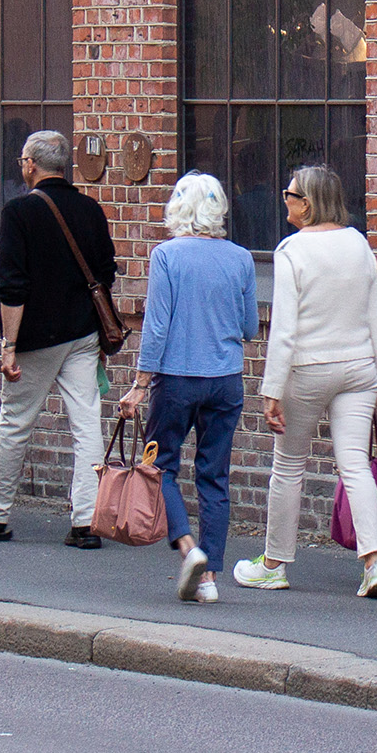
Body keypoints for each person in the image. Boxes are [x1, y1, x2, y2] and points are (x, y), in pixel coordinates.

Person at [233, 164, 377, 599]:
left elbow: (284, 329)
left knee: (287, 467)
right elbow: (375, 317)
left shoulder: (291, 251)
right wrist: (376, 375)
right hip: (359, 366)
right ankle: (373, 563)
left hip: (307, 367)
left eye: (291, 193)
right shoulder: (359, 244)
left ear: (307, 203)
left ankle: (273, 564)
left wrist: (270, 391)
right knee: (355, 465)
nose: (284, 199)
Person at [0, 130, 118, 545]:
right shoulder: (90, 209)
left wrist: (9, 345)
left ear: (31, 164)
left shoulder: (18, 213)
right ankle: (87, 521)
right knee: (87, 425)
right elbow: (106, 273)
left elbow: (12, 285)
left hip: (37, 337)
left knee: (15, 423)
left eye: (22, 162)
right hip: (83, 333)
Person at [119, 173, 257, 603]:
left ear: (177, 208)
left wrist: (141, 383)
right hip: (226, 380)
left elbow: (157, 325)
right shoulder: (241, 258)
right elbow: (250, 327)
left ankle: (187, 548)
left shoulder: (166, 256)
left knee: (157, 468)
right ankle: (210, 577)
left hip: (176, 381)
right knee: (214, 477)